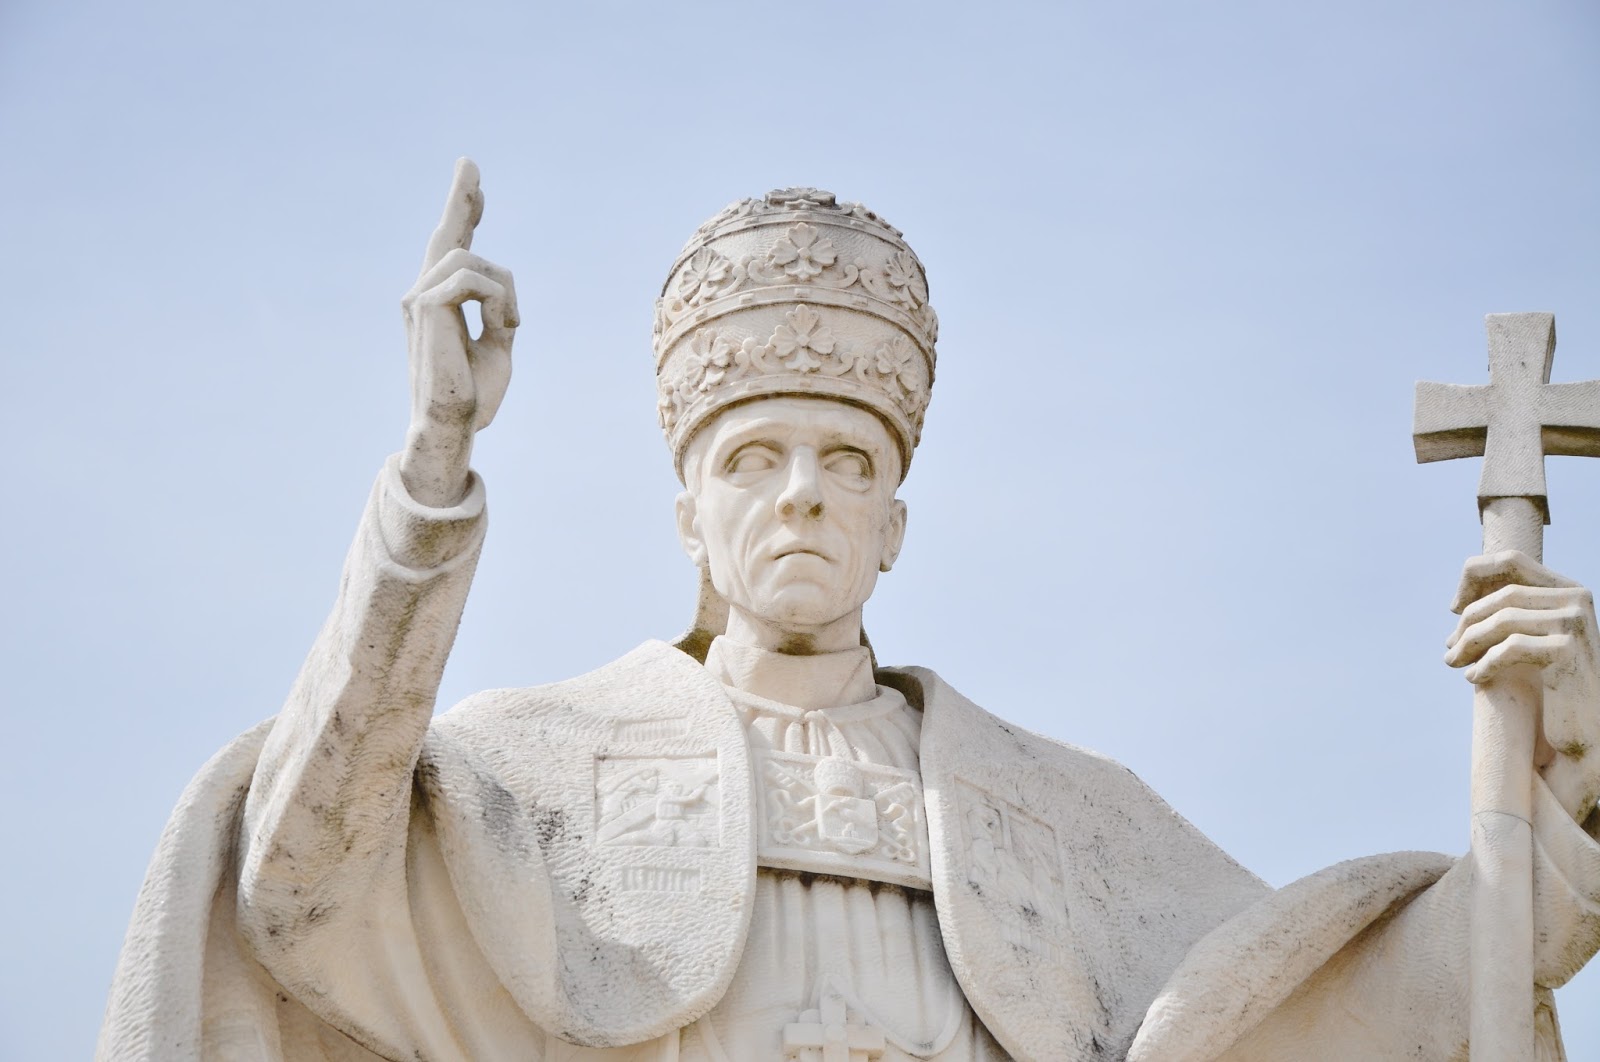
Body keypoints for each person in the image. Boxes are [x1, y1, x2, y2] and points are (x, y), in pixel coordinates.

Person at [99, 161, 1600, 1061]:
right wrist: (431, 475)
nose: (802, 494)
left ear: (897, 521)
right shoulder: (534, 770)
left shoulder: (1066, 814)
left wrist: (1557, 776)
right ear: (690, 515)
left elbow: (1337, 1019)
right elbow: (302, 872)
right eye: (754, 457)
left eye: (848, 461)